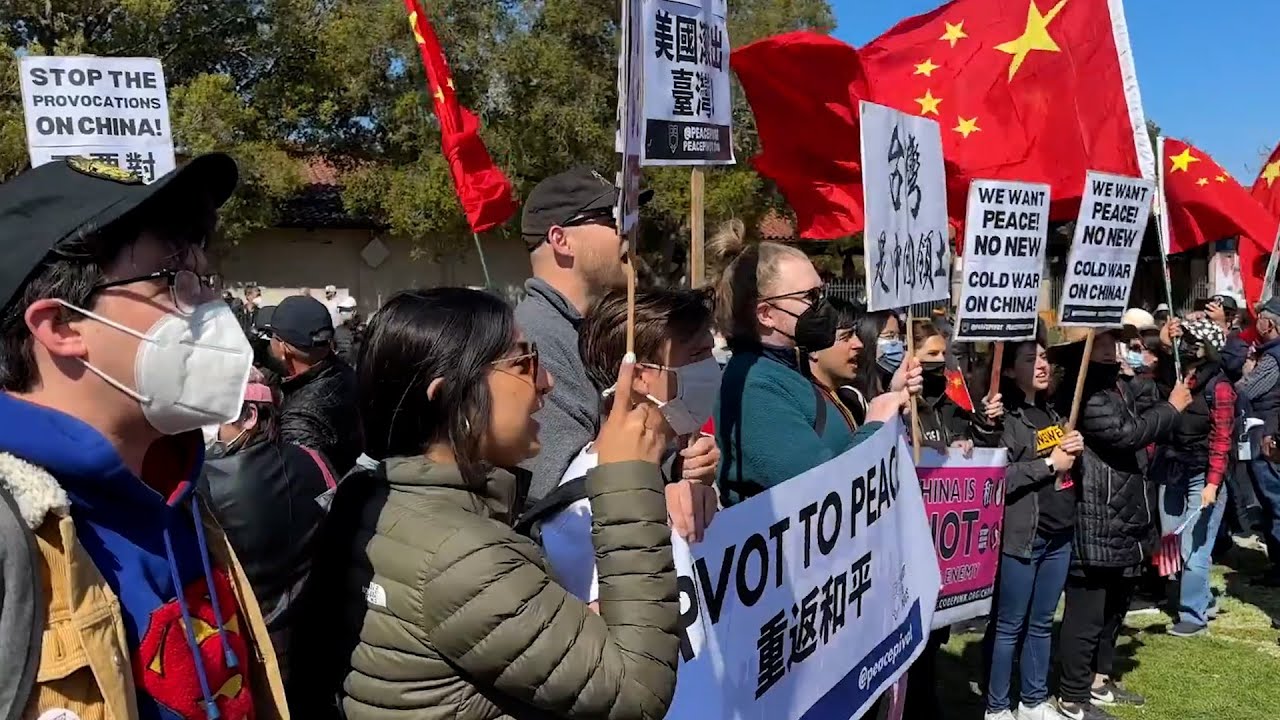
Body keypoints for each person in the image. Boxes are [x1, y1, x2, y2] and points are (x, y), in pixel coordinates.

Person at [289, 287, 681, 720]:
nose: (546, 382)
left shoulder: (370, 493)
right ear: (450, 396)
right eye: (523, 362)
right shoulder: (462, 554)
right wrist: (629, 477)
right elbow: (637, 693)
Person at [0, 155, 287, 719]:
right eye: (174, 281)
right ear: (60, 325)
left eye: (206, 279)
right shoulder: (14, 529)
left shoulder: (180, 487)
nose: (215, 311)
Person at [515, 168, 717, 503]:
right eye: (613, 218)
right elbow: (558, 490)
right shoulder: (535, 336)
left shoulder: (590, 326)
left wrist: (677, 466)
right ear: (561, 240)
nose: (629, 230)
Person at [709, 223, 919, 506]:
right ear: (766, 314)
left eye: (821, 293)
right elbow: (822, 491)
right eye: (810, 297)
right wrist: (875, 425)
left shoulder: (792, 371)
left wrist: (893, 395)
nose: (823, 306)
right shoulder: (753, 385)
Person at [536, 287, 720, 607]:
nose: (711, 368)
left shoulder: (664, 471)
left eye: (710, 353)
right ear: (638, 377)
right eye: (696, 356)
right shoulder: (580, 517)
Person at [1052, 328, 1190, 720]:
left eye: (1114, 341)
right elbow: (1125, 434)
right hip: (1098, 514)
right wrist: (1171, 410)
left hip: (1126, 514)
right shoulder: (1083, 393)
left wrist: (1166, 352)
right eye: (1101, 342)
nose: (1112, 349)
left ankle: (1099, 679)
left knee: (1114, 608)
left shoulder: (1117, 385)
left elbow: (1152, 396)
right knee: (1088, 612)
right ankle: (1073, 695)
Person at [199, 368, 337, 682]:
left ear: (249, 416)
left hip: (247, 643)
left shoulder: (205, 484)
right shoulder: (314, 460)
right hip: (313, 630)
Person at [983, 334, 1084, 720]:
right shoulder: (1004, 420)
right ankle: (997, 706)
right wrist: (1048, 464)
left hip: (1060, 535)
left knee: (1042, 623)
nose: (1041, 364)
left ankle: (1033, 701)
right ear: (1009, 370)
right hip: (1024, 536)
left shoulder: (1055, 413)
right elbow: (999, 478)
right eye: (1030, 359)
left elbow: (1064, 467)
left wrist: (1073, 449)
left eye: (1043, 357)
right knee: (1009, 625)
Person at [1156, 318, 1233, 637]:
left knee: (1194, 546)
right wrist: (1163, 339)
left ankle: (1193, 615)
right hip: (1173, 469)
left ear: (1207, 349)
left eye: (1192, 340)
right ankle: (1199, 597)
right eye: (1182, 338)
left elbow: (1222, 439)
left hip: (1203, 475)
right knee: (1171, 538)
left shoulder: (1220, 387)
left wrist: (1213, 483)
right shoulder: (1174, 375)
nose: (1184, 344)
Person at [264, 294, 363, 474]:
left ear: (283, 349)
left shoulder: (299, 420)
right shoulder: (345, 373)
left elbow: (300, 481)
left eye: (272, 336)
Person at [911, 319, 1003, 454]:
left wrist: (986, 421)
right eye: (932, 354)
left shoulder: (952, 400)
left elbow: (980, 443)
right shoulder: (904, 406)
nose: (941, 360)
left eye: (943, 353)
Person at [1238, 297, 1280, 585]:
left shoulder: (1273, 358)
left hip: (1267, 437)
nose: (1257, 323)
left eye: (1261, 318)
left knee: (1274, 501)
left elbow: (1247, 391)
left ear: (1271, 324)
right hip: (1265, 433)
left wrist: (1246, 372)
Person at [808, 297, 868, 425]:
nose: (859, 344)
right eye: (846, 337)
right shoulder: (801, 407)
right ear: (814, 349)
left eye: (856, 335)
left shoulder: (853, 401)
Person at [853, 309, 905, 403]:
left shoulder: (893, 383)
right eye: (889, 336)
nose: (898, 343)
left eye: (899, 337)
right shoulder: (854, 395)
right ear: (869, 339)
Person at [333, 295, 362, 365]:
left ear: (354, 312)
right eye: (341, 310)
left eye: (345, 310)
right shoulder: (338, 330)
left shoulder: (362, 329)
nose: (342, 313)